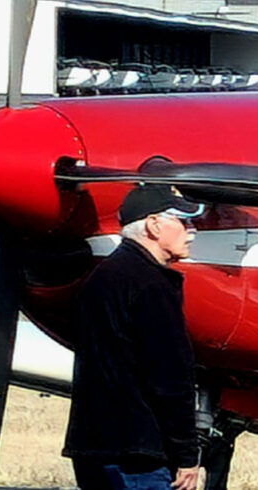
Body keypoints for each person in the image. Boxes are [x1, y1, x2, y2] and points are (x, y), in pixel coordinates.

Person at [65, 185, 209, 490]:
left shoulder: (101, 278)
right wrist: (187, 454)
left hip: (91, 445)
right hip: (141, 454)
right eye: (184, 221)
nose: (193, 230)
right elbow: (170, 377)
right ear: (154, 225)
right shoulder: (152, 285)